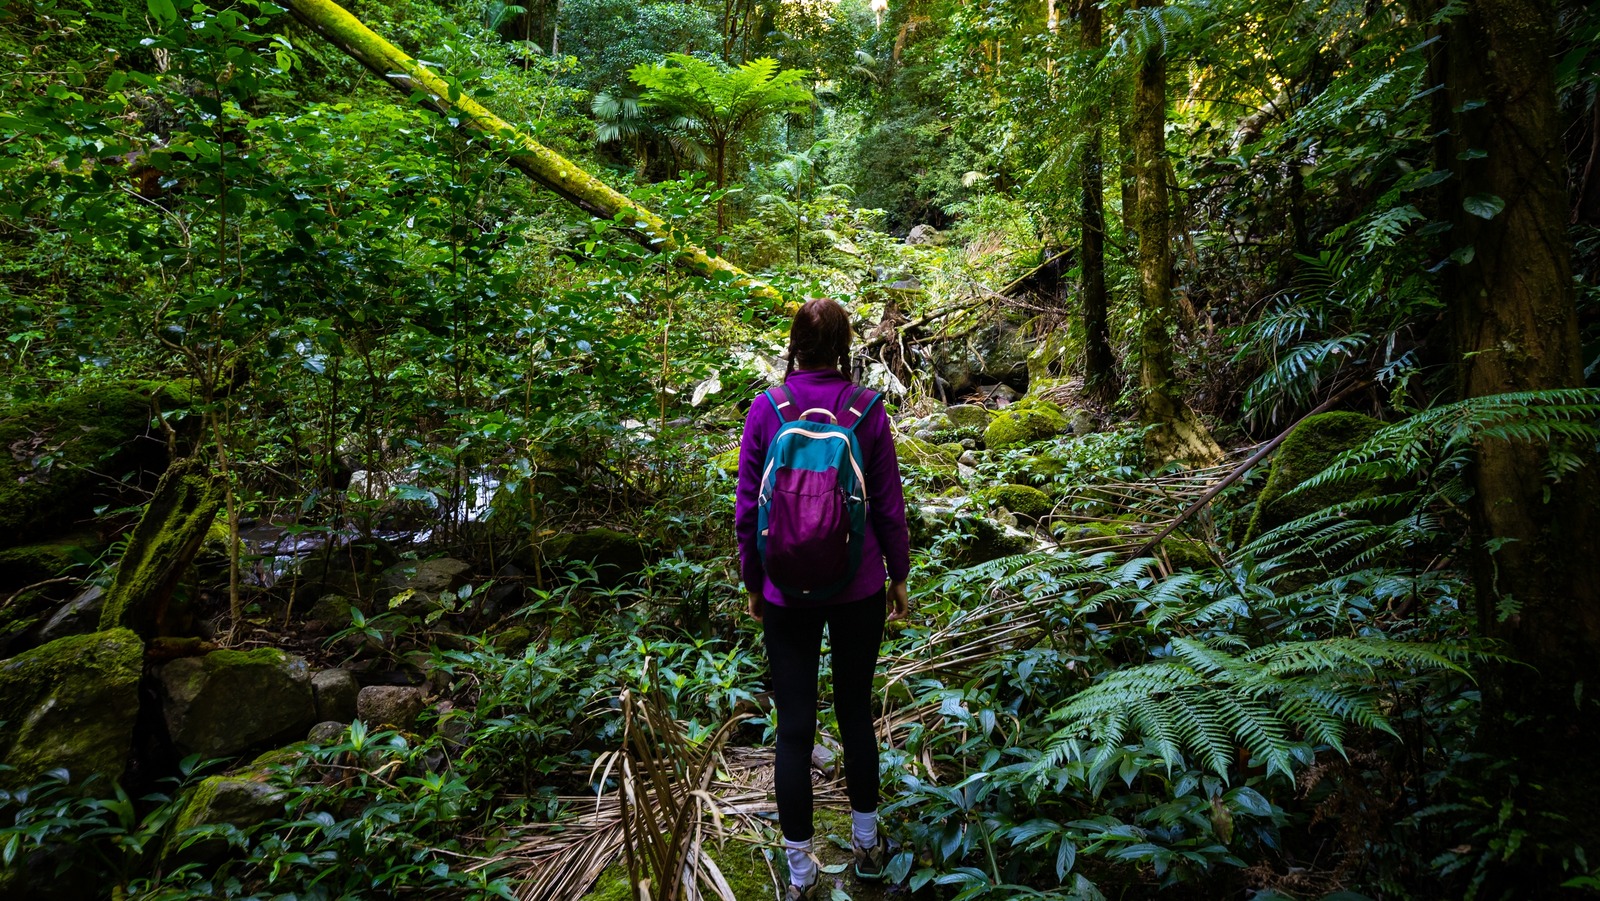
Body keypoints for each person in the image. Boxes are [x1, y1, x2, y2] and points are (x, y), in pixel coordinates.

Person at [734, 297, 912, 901]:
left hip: (786, 591)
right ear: (844, 346)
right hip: (858, 586)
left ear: (794, 344)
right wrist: (899, 575)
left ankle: (801, 875)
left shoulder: (767, 408)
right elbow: (887, 502)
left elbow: (745, 509)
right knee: (856, 714)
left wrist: (754, 582)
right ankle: (866, 846)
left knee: (794, 730)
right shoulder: (866, 410)